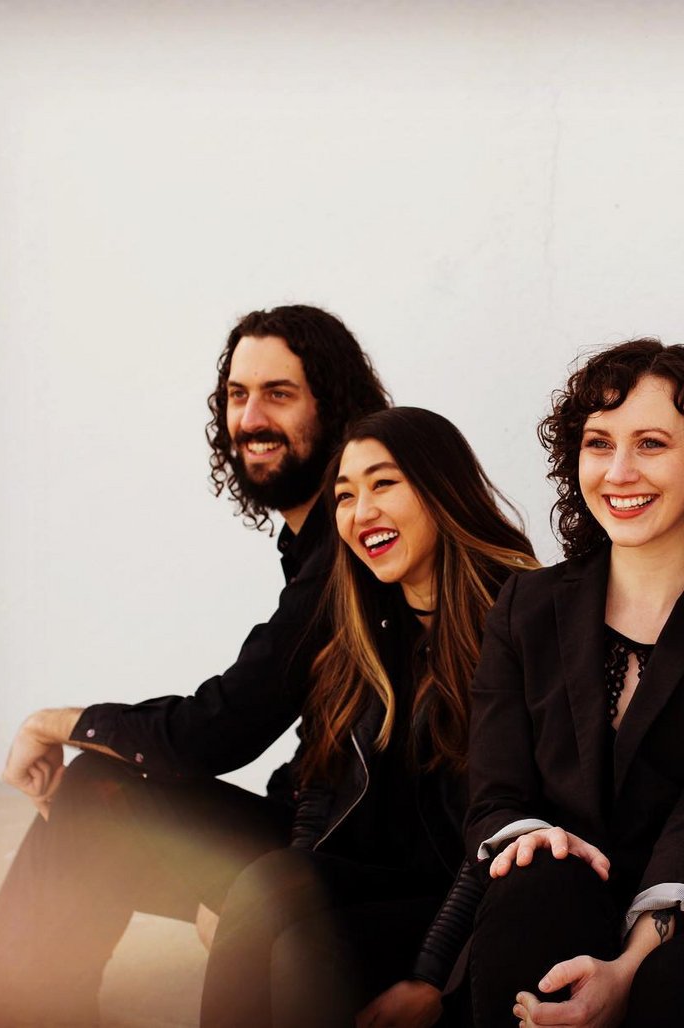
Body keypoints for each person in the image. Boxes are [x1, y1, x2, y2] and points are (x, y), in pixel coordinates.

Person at [0, 304, 389, 1025]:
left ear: (334, 408)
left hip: (358, 867)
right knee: (98, 800)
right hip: (321, 831)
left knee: (97, 797)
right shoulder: (313, 545)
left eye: (279, 394)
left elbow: (217, 730)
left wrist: (54, 723)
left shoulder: (346, 551)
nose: (250, 418)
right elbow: (322, 739)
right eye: (237, 395)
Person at [466, 339, 684, 1028]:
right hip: (558, 909)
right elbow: (493, 793)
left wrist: (627, 967)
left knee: (677, 984)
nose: (619, 471)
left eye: (651, 443)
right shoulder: (526, 606)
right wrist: (535, 841)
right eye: (599, 444)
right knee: (536, 880)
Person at [197, 406, 536, 1027]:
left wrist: (431, 978)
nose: (360, 513)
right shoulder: (359, 632)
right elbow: (319, 789)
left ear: (440, 488)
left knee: (296, 951)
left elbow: (506, 824)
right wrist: (273, 897)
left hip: (478, 911)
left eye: (383, 484)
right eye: (345, 496)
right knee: (268, 903)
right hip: (384, 889)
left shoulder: (521, 620)